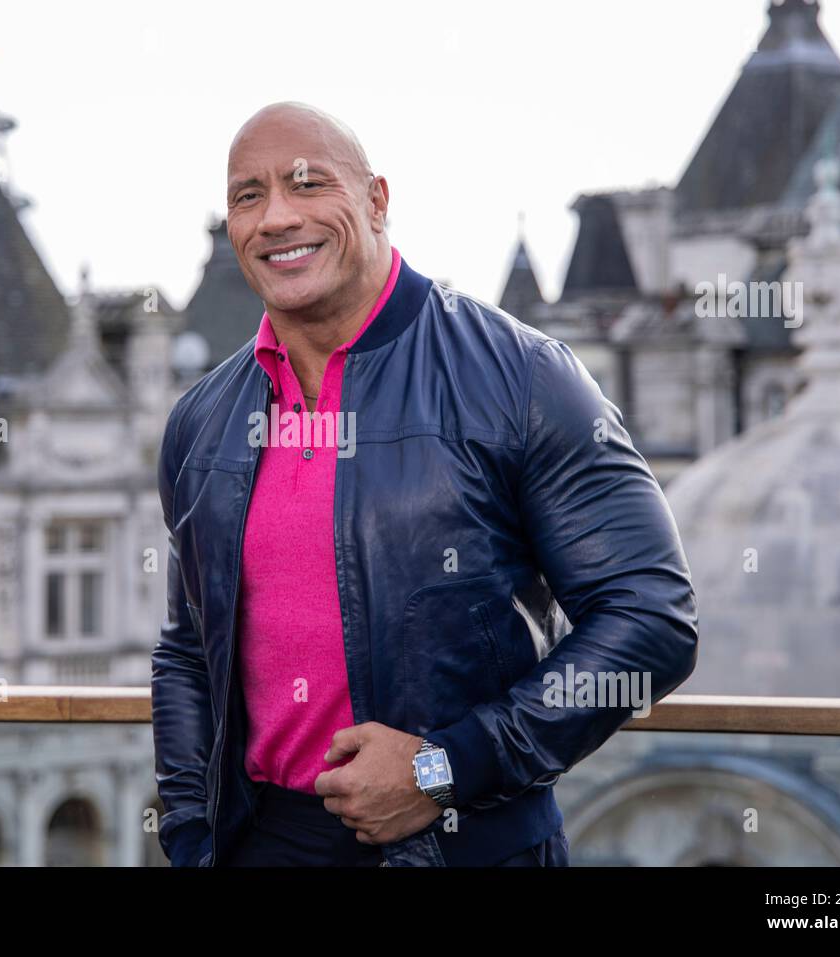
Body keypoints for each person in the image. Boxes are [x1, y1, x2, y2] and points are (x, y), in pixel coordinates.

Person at [151, 101, 698, 866]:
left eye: (308, 184)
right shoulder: (201, 421)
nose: (276, 215)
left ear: (377, 200)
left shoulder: (523, 377)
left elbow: (652, 621)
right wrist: (189, 836)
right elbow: (187, 651)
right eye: (248, 195)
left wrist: (443, 770)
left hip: (466, 843)